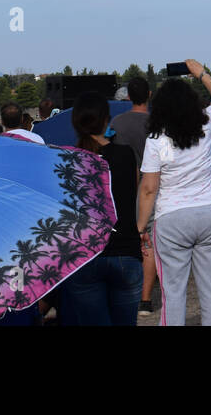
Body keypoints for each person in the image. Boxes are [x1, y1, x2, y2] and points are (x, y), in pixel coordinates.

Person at [136, 60, 211, 326]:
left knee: (173, 292)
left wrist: (141, 225)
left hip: (172, 219)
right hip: (210, 214)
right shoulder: (207, 125)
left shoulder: (157, 141)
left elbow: (149, 187)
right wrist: (199, 72)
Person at [60, 92, 143, 325]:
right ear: (107, 120)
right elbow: (131, 193)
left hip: (86, 255)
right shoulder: (126, 155)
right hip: (126, 250)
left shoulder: (69, 160)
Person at [110, 77, 157, 313]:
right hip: (154, 186)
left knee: (130, 239)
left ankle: (128, 289)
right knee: (148, 240)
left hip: (126, 188)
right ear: (149, 94)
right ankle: (146, 298)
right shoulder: (158, 122)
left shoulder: (117, 122)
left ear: (128, 96)